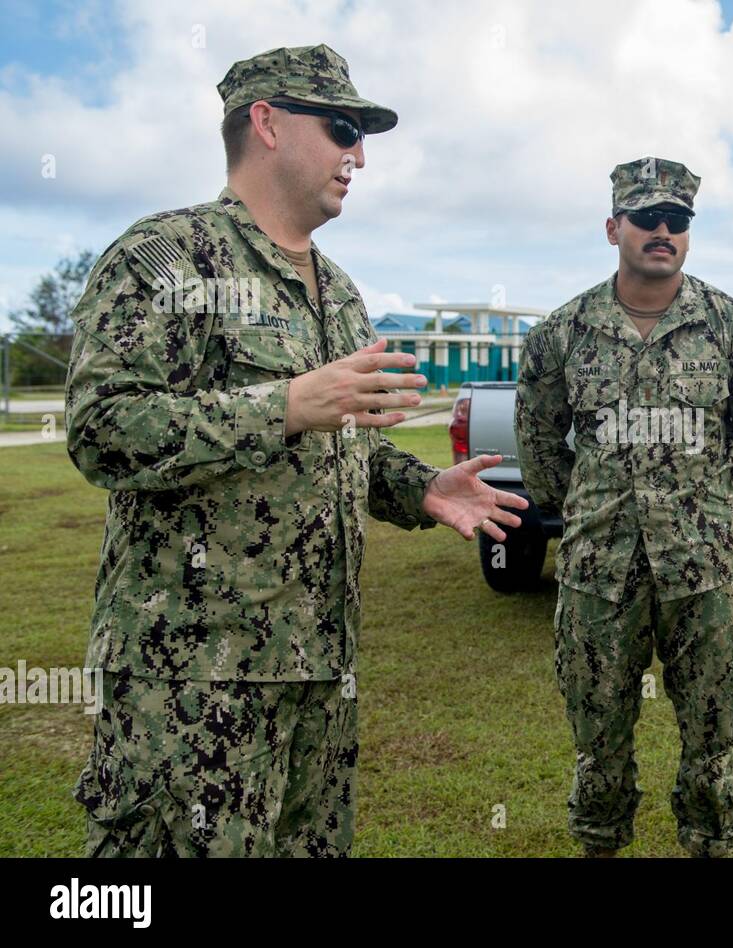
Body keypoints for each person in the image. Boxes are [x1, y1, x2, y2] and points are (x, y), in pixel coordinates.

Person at [64, 43, 527, 857]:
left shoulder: (339, 290)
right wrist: (280, 405)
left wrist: (419, 486)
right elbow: (103, 429)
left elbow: (340, 441)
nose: (359, 154)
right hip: (193, 678)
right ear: (267, 123)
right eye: (343, 127)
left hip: (320, 665)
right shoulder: (168, 257)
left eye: (364, 134)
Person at [515, 157, 733, 856]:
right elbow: (542, 451)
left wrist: (717, 515)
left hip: (704, 575)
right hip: (597, 579)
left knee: (711, 745)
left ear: (689, 234)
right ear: (615, 227)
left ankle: (710, 844)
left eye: (677, 220)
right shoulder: (561, 335)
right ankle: (600, 845)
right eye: (646, 218)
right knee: (598, 746)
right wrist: (592, 514)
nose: (662, 230)